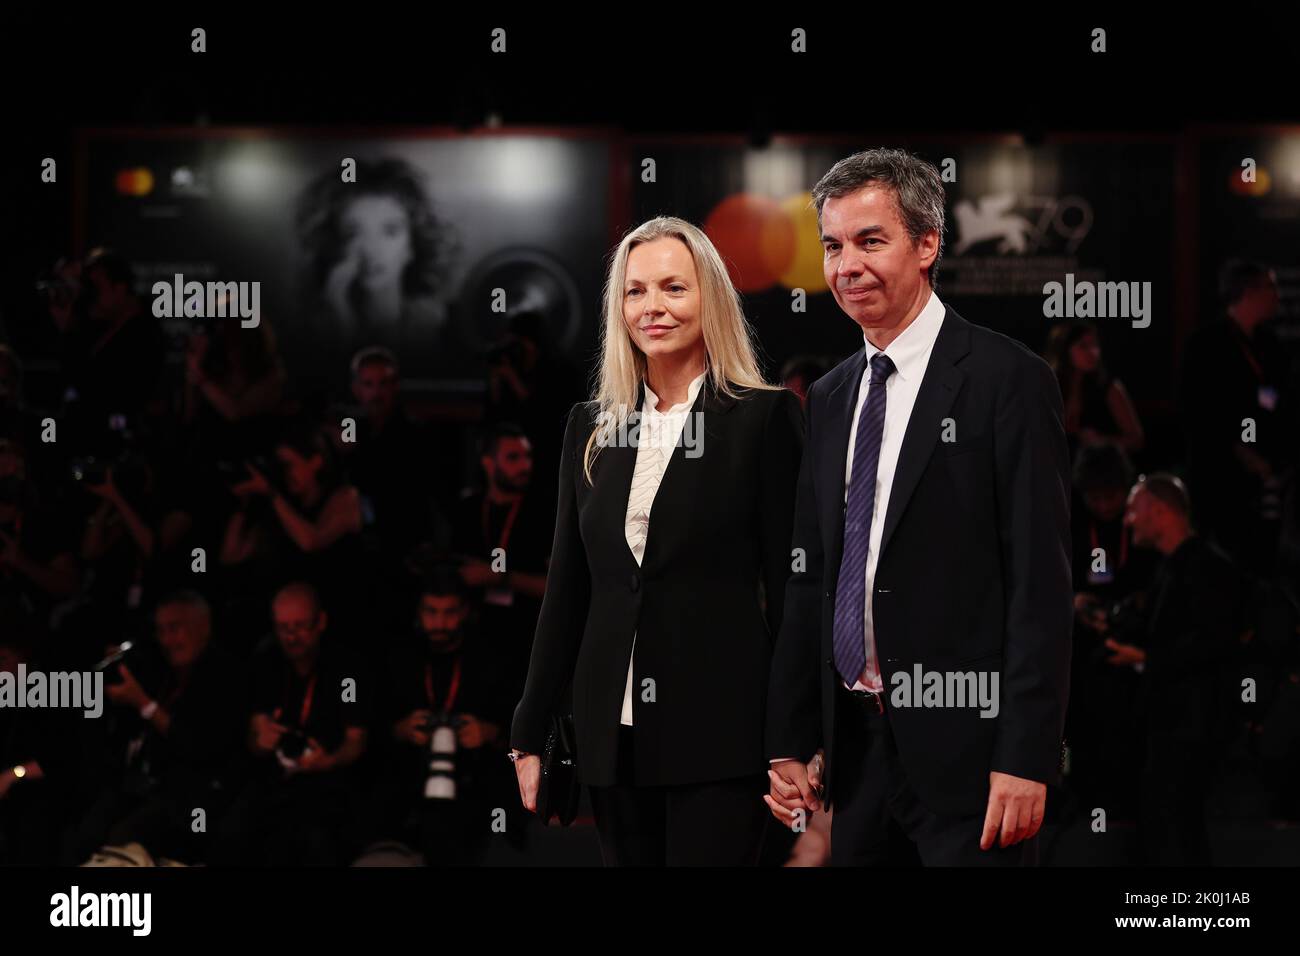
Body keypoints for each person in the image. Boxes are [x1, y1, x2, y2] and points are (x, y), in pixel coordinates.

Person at [765, 148, 1072, 866]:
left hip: (973, 760)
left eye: (871, 241)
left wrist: (1027, 754)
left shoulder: (1010, 381)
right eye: (834, 246)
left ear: (928, 243)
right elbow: (809, 578)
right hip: (856, 753)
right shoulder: (832, 395)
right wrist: (790, 735)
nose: (847, 267)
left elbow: (1041, 585)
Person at [509, 216, 804, 866]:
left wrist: (795, 737)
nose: (653, 307)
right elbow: (567, 590)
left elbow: (793, 596)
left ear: (710, 298)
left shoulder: (763, 419)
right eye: (636, 291)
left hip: (723, 732)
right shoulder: (589, 427)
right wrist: (528, 730)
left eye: (673, 287)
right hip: (611, 736)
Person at [1105, 473, 1245, 864]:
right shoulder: (1169, 569)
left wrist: (1145, 660)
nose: (1128, 519)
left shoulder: (1210, 570)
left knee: (1179, 831)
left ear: (1160, 510)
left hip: (1192, 730)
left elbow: (1212, 645)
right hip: (1168, 728)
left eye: (1135, 508)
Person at [1181, 260, 1295, 576]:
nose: (1276, 295)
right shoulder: (1206, 345)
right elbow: (1199, 411)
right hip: (1219, 479)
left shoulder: (1270, 346)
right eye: (1269, 286)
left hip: (1269, 480)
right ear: (1248, 291)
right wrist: (1240, 449)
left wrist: (1272, 459)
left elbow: (1281, 403)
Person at [1043, 320, 1144, 458]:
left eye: (1095, 345)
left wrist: (1102, 441)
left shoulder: (1109, 387)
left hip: (1099, 467)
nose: (1093, 352)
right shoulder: (1050, 386)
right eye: (1083, 346)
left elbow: (1136, 440)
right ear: (1065, 350)